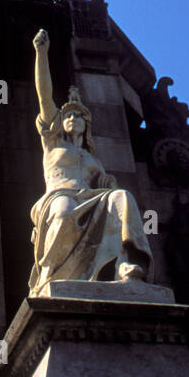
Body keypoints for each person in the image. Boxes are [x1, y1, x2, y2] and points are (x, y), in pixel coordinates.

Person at [29, 30, 153, 293]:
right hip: (60, 196)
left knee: (122, 198)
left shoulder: (92, 159)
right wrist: (41, 53)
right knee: (63, 213)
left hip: (91, 196)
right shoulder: (53, 144)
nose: (72, 119)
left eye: (79, 116)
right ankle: (49, 274)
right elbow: (44, 96)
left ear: (87, 125)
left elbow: (106, 185)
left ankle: (125, 263)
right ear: (61, 123)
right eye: (68, 116)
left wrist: (108, 182)